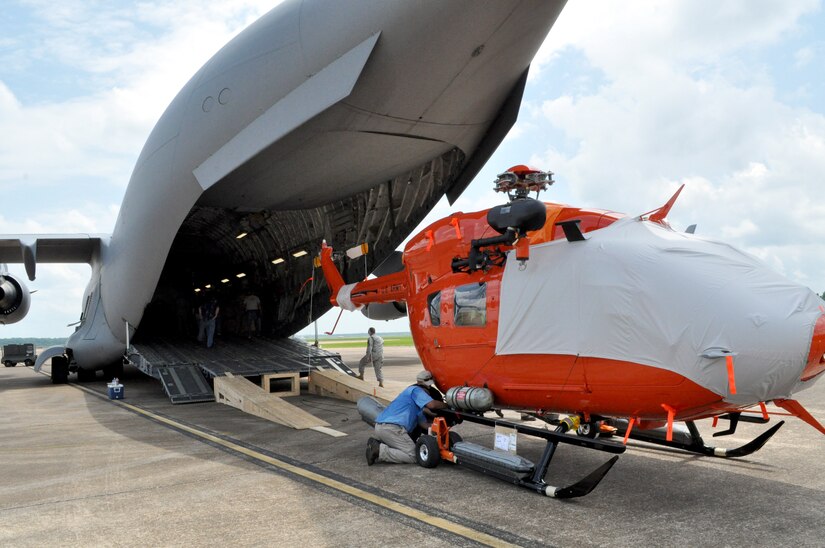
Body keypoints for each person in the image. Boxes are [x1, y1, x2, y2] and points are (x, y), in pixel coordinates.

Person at [366, 370, 446, 465]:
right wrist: (447, 404)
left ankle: (378, 444)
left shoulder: (413, 404)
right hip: (392, 428)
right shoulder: (416, 390)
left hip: (382, 427)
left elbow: (424, 424)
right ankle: (379, 450)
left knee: (408, 449)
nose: (427, 398)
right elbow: (432, 405)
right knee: (414, 456)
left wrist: (442, 430)